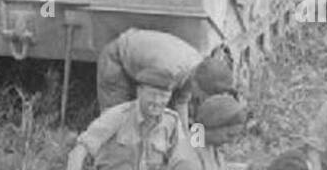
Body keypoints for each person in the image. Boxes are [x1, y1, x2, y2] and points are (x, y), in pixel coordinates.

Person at [95, 27, 229, 114]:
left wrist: (190, 144)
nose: (200, 98)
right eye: (201, 94)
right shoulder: (168, 72)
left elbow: (181, 104)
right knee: (116, 115)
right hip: (116, 58)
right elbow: (148, 108)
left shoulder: (198, 69)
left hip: (143, 61)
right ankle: (103, 152)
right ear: (196, 83)